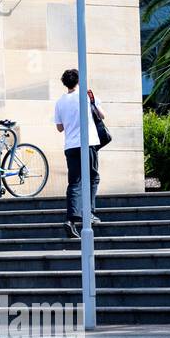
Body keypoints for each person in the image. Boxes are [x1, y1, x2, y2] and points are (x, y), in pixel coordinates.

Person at [53, 68, 104, 239]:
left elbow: (59, 127)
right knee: (93, 178)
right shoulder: (86, 95)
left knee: (75, 182)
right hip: (87, 143)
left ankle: (71, 220)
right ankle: (88, 213)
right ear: (78, 81)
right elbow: (101, 115)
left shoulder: (60, 102)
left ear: (64, 83)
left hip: (70, 146)